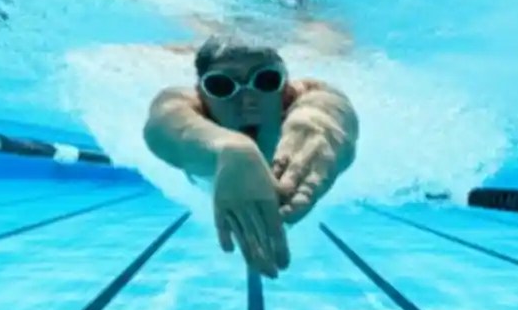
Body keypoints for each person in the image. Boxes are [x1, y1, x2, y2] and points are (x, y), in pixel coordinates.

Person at [143, 34, 359, 278]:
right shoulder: (192, 105)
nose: (247, 100)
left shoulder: (297, 96)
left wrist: (322, 124)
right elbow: (162, 122)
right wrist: (232, 148)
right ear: (201, 94)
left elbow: (329, 101)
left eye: (266, 81)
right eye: (221, 86)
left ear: (285, 89)